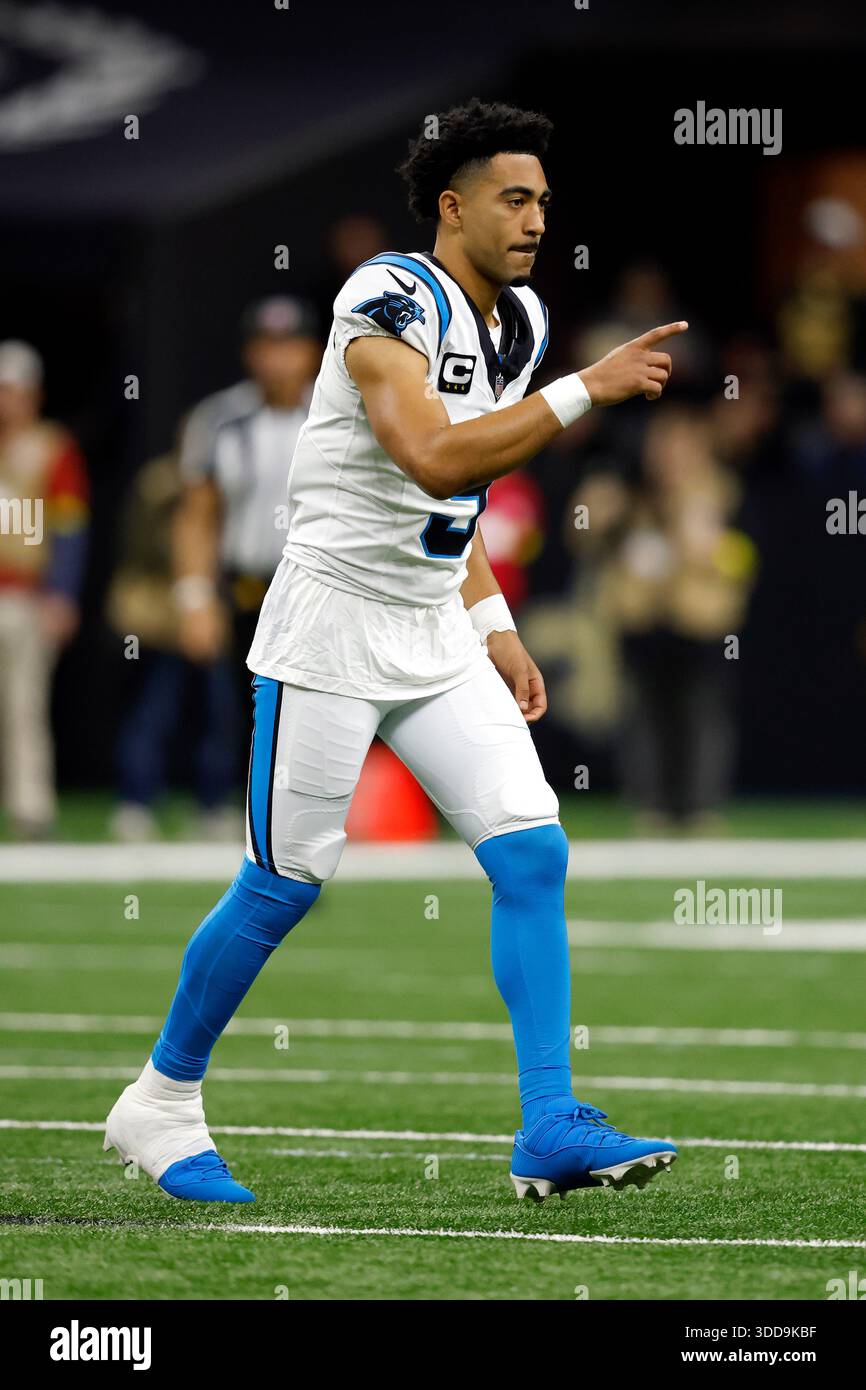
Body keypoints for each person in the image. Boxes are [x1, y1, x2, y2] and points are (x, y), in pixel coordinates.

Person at [105, 99, 685, 1204]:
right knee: (286, 881)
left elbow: (459, 493)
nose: (535, 219)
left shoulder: (517, 317)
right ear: (454, 205)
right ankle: (161, 1098)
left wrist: (492, 623)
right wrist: (584, 391)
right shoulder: (383, 293)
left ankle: (549, 1123)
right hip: (330, 618)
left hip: (430, 622)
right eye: (514, 198)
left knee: (530, 853)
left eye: (544, 201)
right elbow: (424, 454)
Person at [0, 340, 88, 837]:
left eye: (13, 390)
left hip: (23, 595)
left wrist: (63, 593)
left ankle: (30, 809)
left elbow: (70, 525)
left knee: (23, 705)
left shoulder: (51, 447)